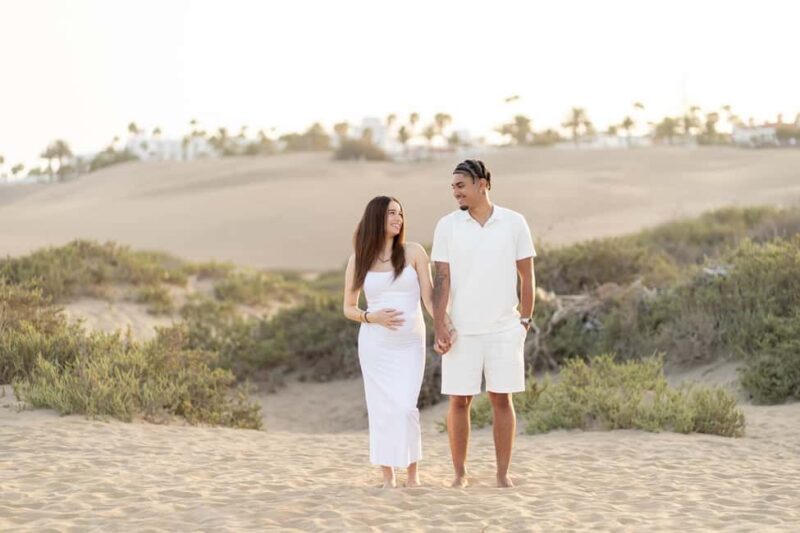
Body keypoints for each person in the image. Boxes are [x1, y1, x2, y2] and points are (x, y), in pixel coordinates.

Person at [431, 159, 536, 488]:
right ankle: (460, 474)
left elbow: (527, 275)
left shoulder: (514, 222)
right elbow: (442, 280)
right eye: (453, 187)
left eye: (461, 185)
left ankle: (502, 474)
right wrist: (439, 327)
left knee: (501, 399)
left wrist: (524, 321)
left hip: (505, 329)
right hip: (461, 330)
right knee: (458, 401)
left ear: (482, 184)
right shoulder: (447, 226)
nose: (455, 192)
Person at [343, 195, 450, 488]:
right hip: (375, 345)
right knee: (382, 409)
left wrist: (442, 323)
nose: (398, 218)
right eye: (391, 213)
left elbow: (429, 298)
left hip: (409, 345)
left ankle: (413, 476)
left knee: (406, 407)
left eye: (400, 213)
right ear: (376, 217)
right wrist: (371, 317)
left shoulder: (414, 252)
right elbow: (348, 307)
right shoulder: (359, 259)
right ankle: (388, 475)